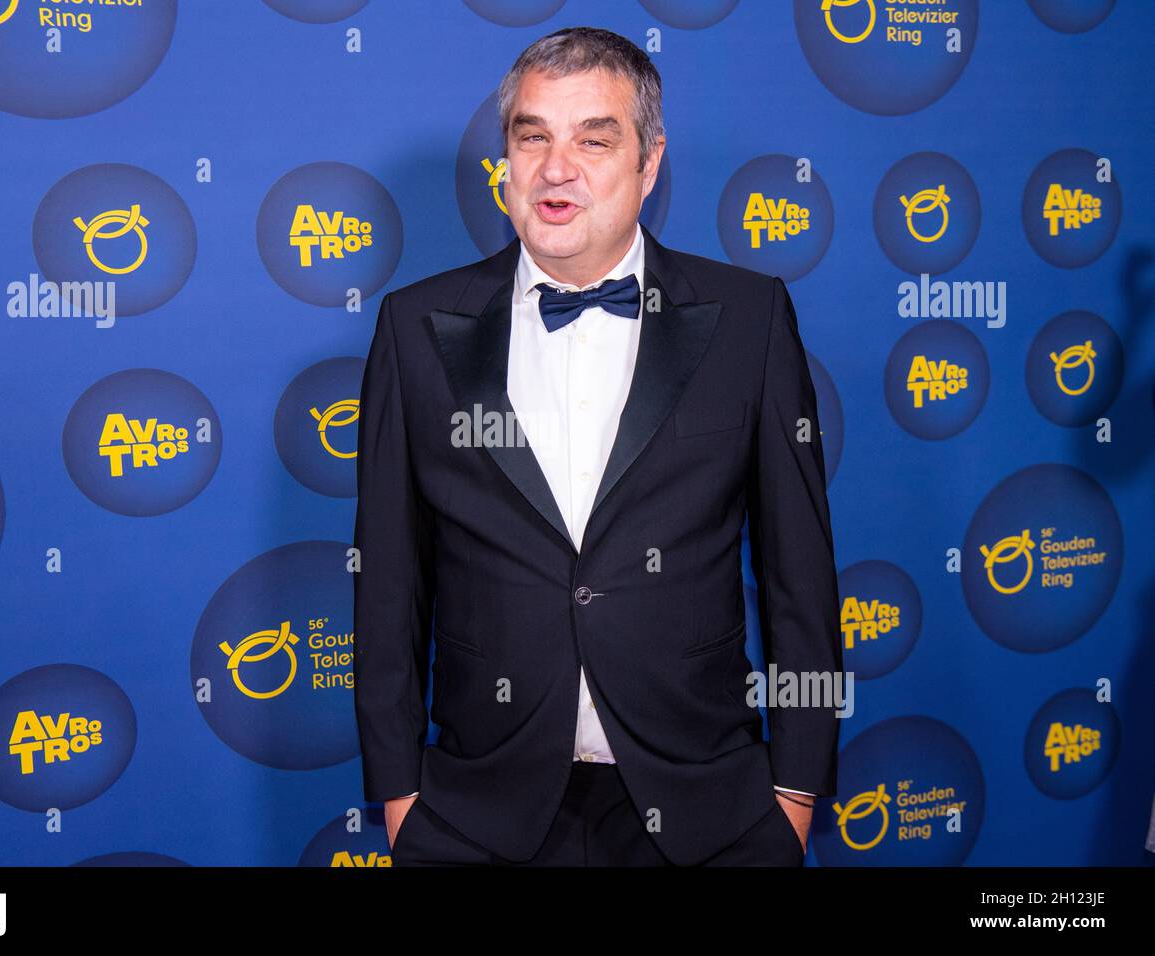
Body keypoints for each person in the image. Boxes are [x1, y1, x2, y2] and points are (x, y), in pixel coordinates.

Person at [352, 26, 842, 866]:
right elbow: (389, 583)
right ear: (505, 158)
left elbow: (800, 577)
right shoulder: (416, 327)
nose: (555, 169)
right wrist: (402, 800)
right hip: (478, 817)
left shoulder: (748, 319)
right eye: (532, 135)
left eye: (594, 138)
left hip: (707, 816)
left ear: (649, 165)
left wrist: (794, 796)